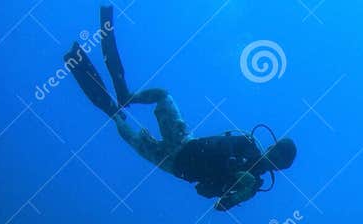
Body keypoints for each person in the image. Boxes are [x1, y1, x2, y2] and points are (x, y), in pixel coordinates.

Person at [63, 6, 297, 211]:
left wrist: (236, 194)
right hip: (184, 141)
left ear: (281, 168)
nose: (271, 156)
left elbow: (213, 201)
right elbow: (220, 147)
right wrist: (232, 165)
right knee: (163, 96)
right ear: (271, 145)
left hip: (175, 166)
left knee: (121, 125)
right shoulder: (248, 143)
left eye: (278, 159)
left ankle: (111, 106)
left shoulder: (252, 186)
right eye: (275, 150)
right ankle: (127, 96)